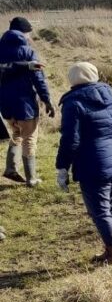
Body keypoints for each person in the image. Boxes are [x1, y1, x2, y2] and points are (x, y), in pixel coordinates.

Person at [55, 62, 112, 265]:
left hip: (93, 166)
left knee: (100, 211)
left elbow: (70, 140)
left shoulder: (73, 103)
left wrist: (62, 167)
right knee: (111, 206)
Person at [0, 16, 56, 186]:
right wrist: (47, 101)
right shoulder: (27, 51)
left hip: (5, 104)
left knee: (17, 132)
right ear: (24, 33)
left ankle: (11, 167)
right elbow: (38, 79)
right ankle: (31, 178)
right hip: (24, 104)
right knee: (30, 138)